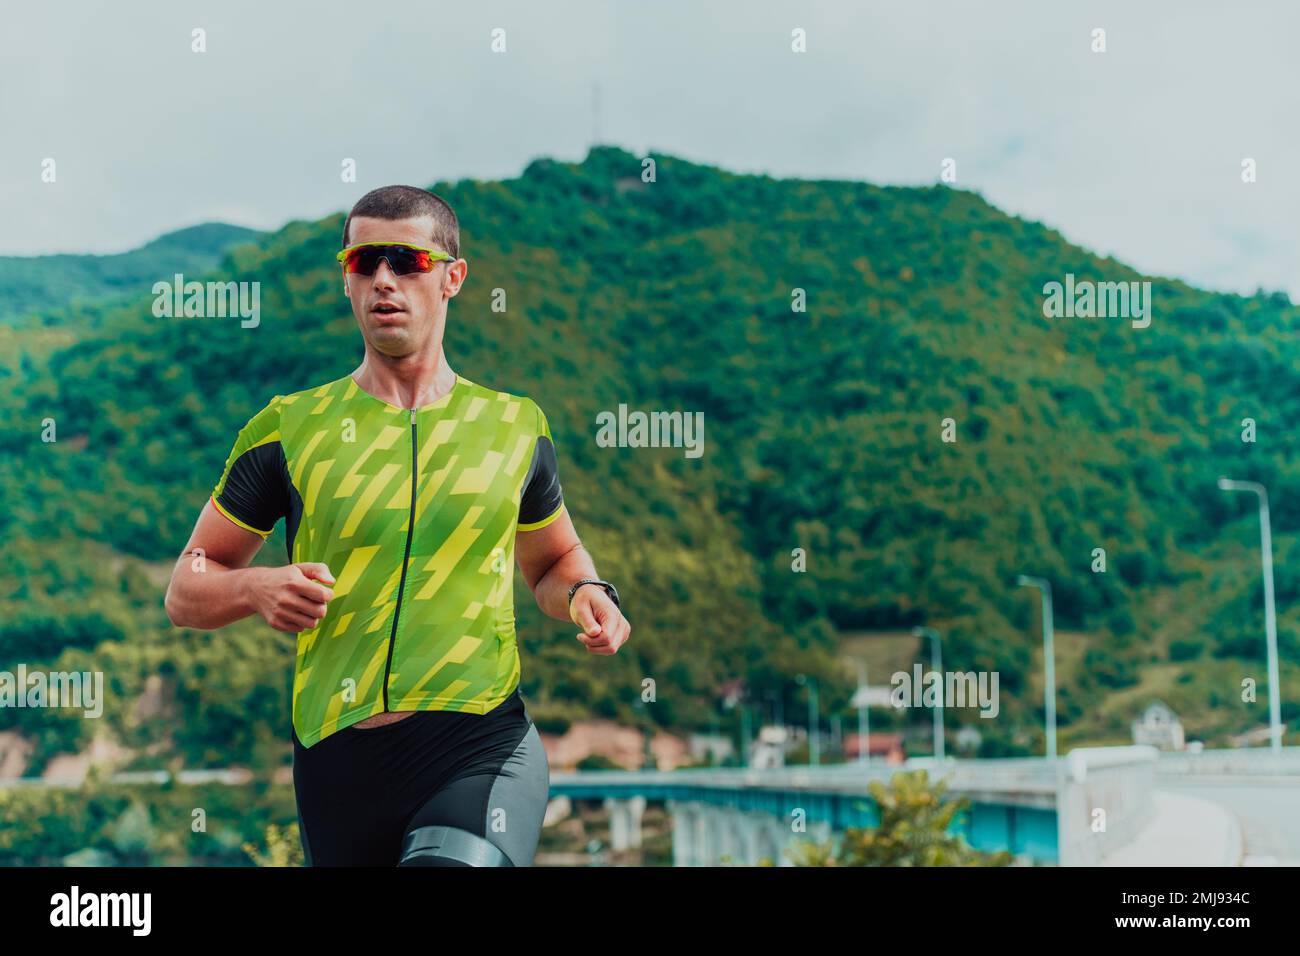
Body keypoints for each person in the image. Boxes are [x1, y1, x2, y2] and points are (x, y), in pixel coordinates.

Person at [164, 185, 630, 866]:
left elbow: (554, 564)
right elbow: (186, 586)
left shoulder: (513, 427)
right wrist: (256, 588)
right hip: (337, 763)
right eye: (363, 261)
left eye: (406, 260)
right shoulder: (288, 429)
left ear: (452, 278)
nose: (383, 277)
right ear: (348, 280)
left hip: (478, 744)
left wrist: (589, 594)